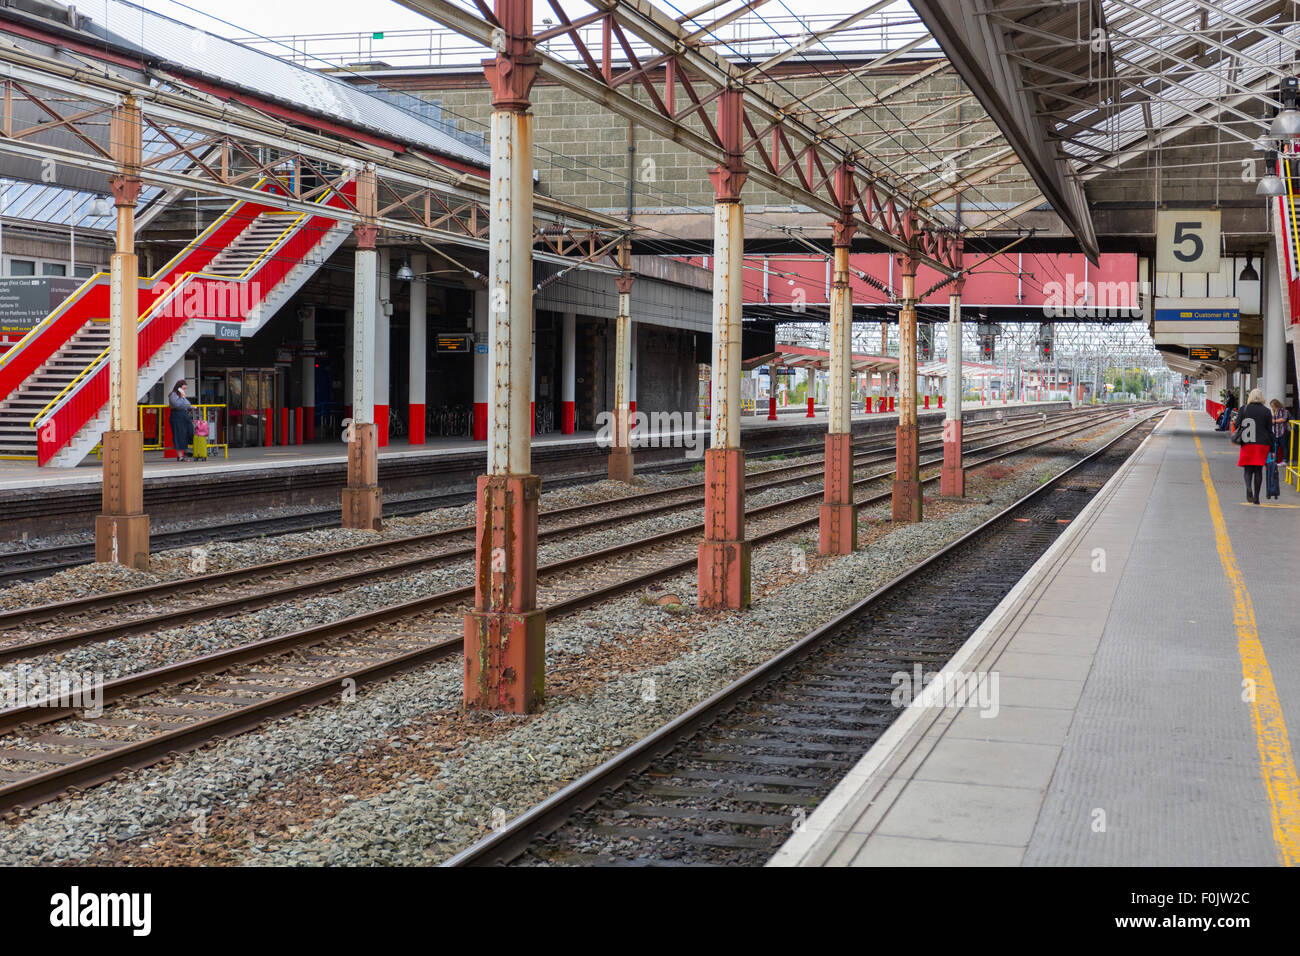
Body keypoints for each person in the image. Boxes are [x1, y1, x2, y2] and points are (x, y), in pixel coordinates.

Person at [1234, 388, 1273, 504]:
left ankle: (1248, 487)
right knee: (1258, 471)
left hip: (1247, 443)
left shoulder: (1244, 409)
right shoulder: (1267, 411)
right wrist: (1272, 448)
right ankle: (1256, 498)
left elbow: (1237, 425)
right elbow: (1269, 430)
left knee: (1248, 469)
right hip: (1262, 444)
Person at [168, 380, 195, 462]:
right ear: (179, 388)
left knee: (189, 432)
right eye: (183, 388)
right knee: (179, 435)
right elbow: (177, 405)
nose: (184, 390)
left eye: (185, 389)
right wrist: (183, 398)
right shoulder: (173, 395)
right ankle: (180, 456)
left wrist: (184, 399)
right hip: (176, 415)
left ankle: (186, 451)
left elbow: (188, 404)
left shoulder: (182, 396)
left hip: (184, 415)